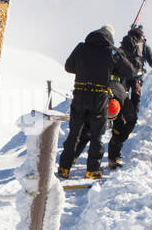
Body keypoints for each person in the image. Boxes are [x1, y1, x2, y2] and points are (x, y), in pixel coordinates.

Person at [57, 25, 135, 179]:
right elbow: (130, 72)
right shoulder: (111, 51)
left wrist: (85, 68)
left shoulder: (81, 47)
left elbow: (68, 66)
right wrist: (110, 69)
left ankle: (64, 168)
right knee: (96, 135)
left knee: (74, 132)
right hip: (99, 97)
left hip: (79, 94)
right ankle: (92, 170)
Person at [107, 24, 152, 169]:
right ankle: (127, 122)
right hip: (136, 77)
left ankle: (116, 119)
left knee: (119, 106)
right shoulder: (143, 45)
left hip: (121, 79)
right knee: (132, 111)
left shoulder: (124, 44)